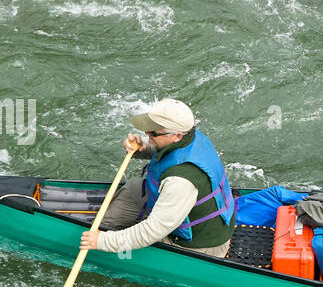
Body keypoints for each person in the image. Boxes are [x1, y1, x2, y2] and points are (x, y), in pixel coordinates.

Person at [80, 98, 236, 258]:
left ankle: (98, 239)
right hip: (182, 211)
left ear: (176, 136)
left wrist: (103, 241)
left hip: (198, 246)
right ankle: (101, 228)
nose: (147, 133)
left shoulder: (181, 181)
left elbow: (154, 230)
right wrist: (142, 149)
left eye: (154, 132)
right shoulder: (189, 136)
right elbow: (172, 155)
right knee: (135, 186)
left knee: (130, 248)